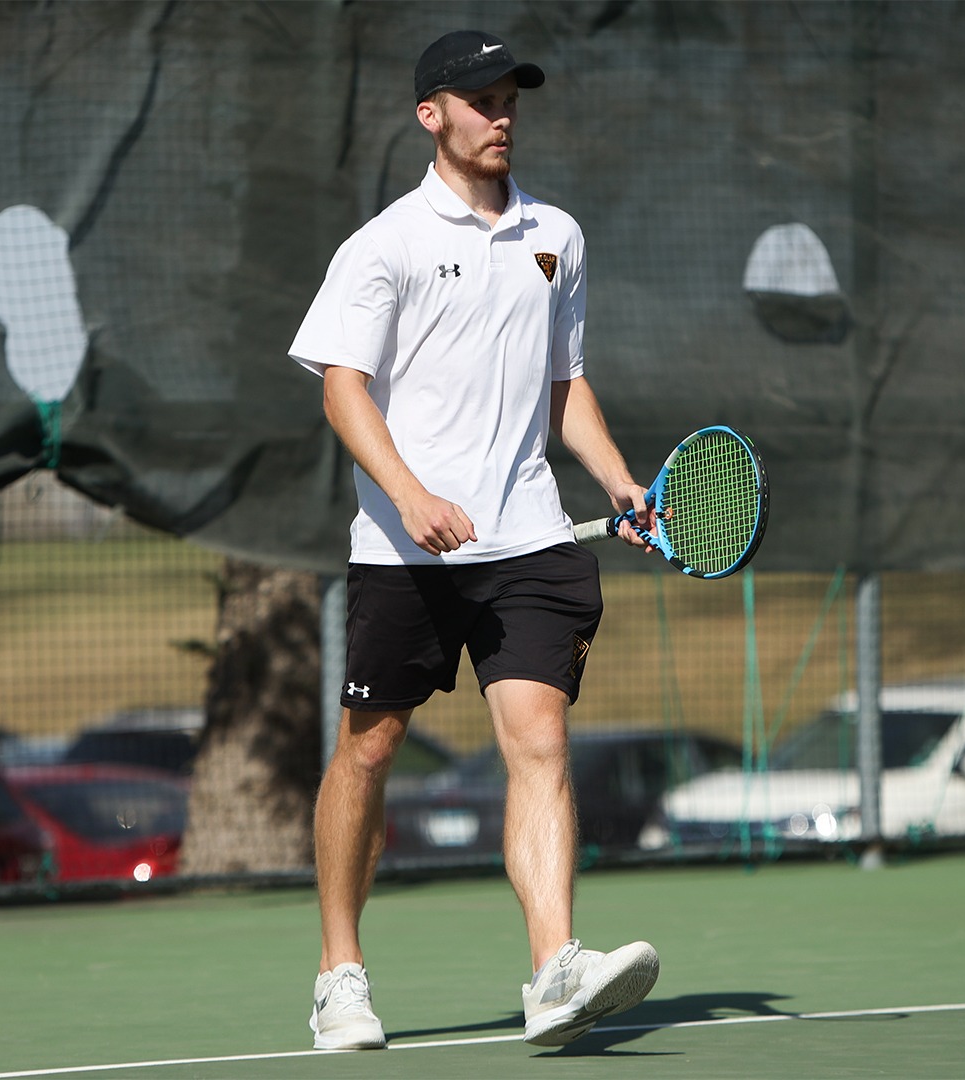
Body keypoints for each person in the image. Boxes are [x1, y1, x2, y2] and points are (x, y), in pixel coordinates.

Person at [286, 29, 661, 1051]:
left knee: (539, 741)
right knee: (370, 749)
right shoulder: (386, 245)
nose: (500, 116)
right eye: (479, 100)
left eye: (509, 99)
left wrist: (618, 479)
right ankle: (340, 976)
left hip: (533, 539)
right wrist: (406, 494)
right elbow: (341, 388)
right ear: (431, 115)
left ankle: (554, 969)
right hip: (407, 552)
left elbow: (563, 382)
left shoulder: (559, 237)